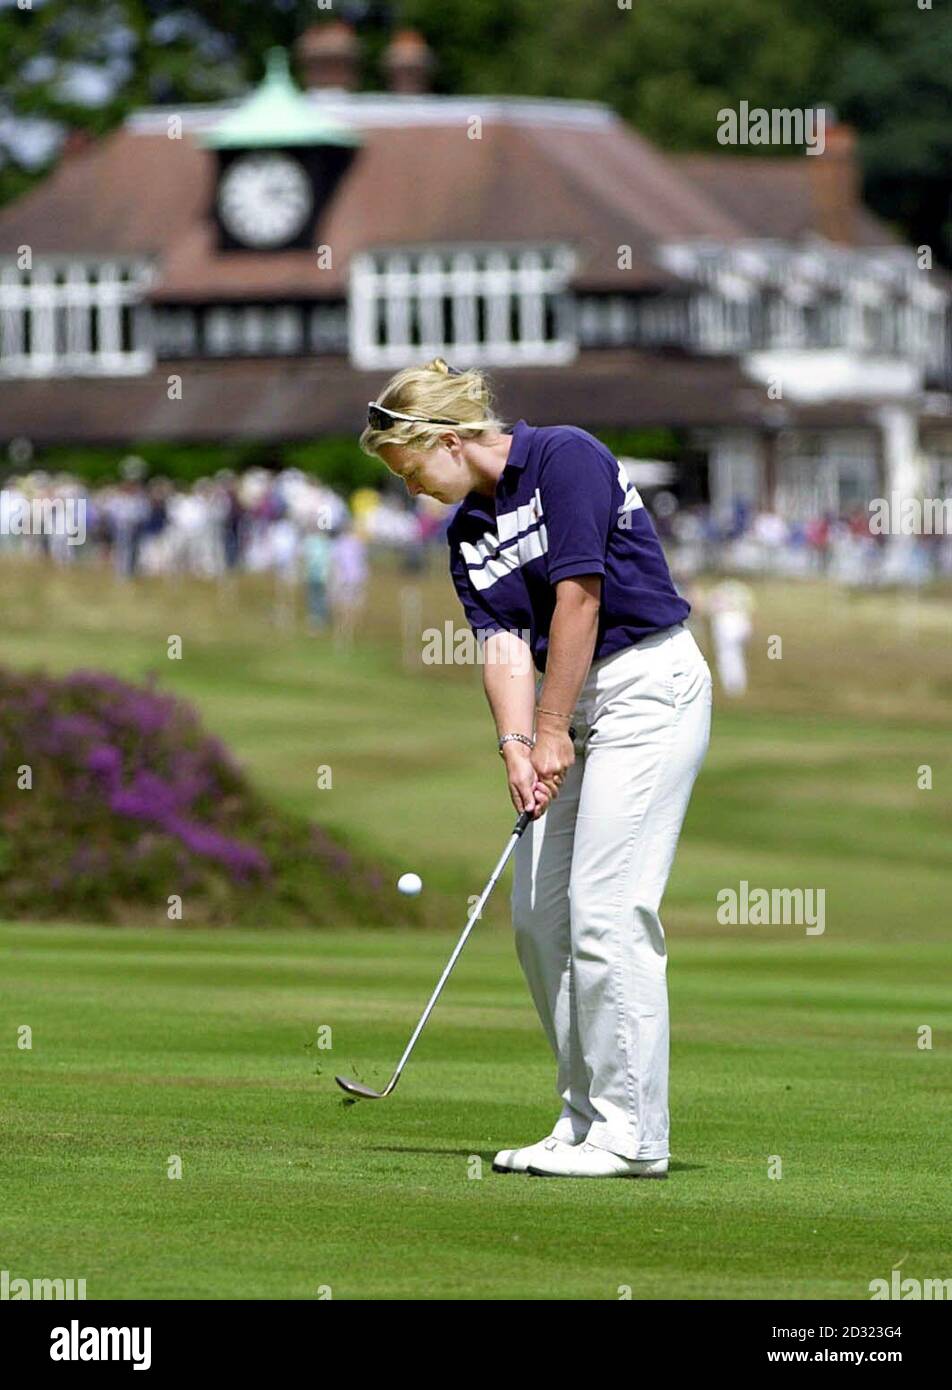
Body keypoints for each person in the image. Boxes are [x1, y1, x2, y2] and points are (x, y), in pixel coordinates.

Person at [358, 358, 712, 1180]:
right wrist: (518, 746)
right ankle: (584, 1117)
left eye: (411, 471)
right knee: (537, 919)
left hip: (644, 689)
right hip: (566, 706)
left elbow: (578, 596)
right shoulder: (467, 534)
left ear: (447, 440)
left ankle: (633, 1135)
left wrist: (553, 726)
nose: (413, 491)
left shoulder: (566, 457)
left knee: (607, 910)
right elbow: (504, 643)